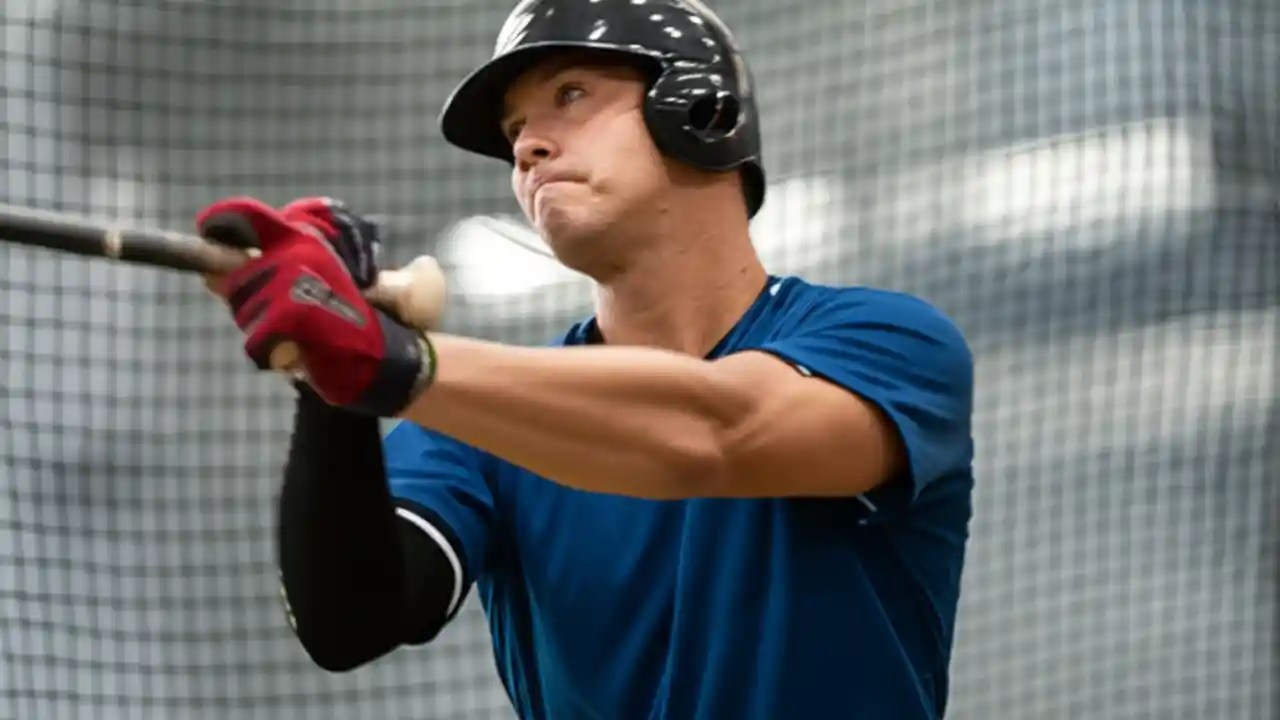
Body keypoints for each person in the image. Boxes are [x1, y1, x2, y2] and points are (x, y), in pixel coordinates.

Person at [198, 1, 976, 718]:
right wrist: (330, 381)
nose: (526, 147)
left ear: (704, 111)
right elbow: (350, 624)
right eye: (515, 131)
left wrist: (387, 362)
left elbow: (717, 433)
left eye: (570, 95)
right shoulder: (485, 421)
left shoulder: (888, 343)